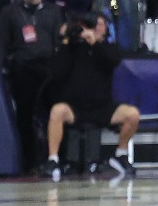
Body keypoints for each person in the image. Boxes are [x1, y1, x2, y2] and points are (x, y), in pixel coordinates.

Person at [41, 13, 140, 179]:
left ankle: (120, 155)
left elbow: (113, 60)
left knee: (132, 114)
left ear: (105, 29)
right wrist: (66, 41)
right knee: (57, 111)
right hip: (76, 108)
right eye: (94, 24)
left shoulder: (107, 48)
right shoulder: (73, 49)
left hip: (102, 108)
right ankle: (53, 160)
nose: (97, 27)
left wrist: (94, 43)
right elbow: (57, 73)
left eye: (101, 24)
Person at [0, 0, 65, 166]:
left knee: (54, 112)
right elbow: (1, 43)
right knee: (24, 115)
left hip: (48, 69)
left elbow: (59, 41)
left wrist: (61, 69)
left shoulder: (53, 11)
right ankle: (28, 161)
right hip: (23, 67)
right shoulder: (10, 12)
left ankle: (55, 157)